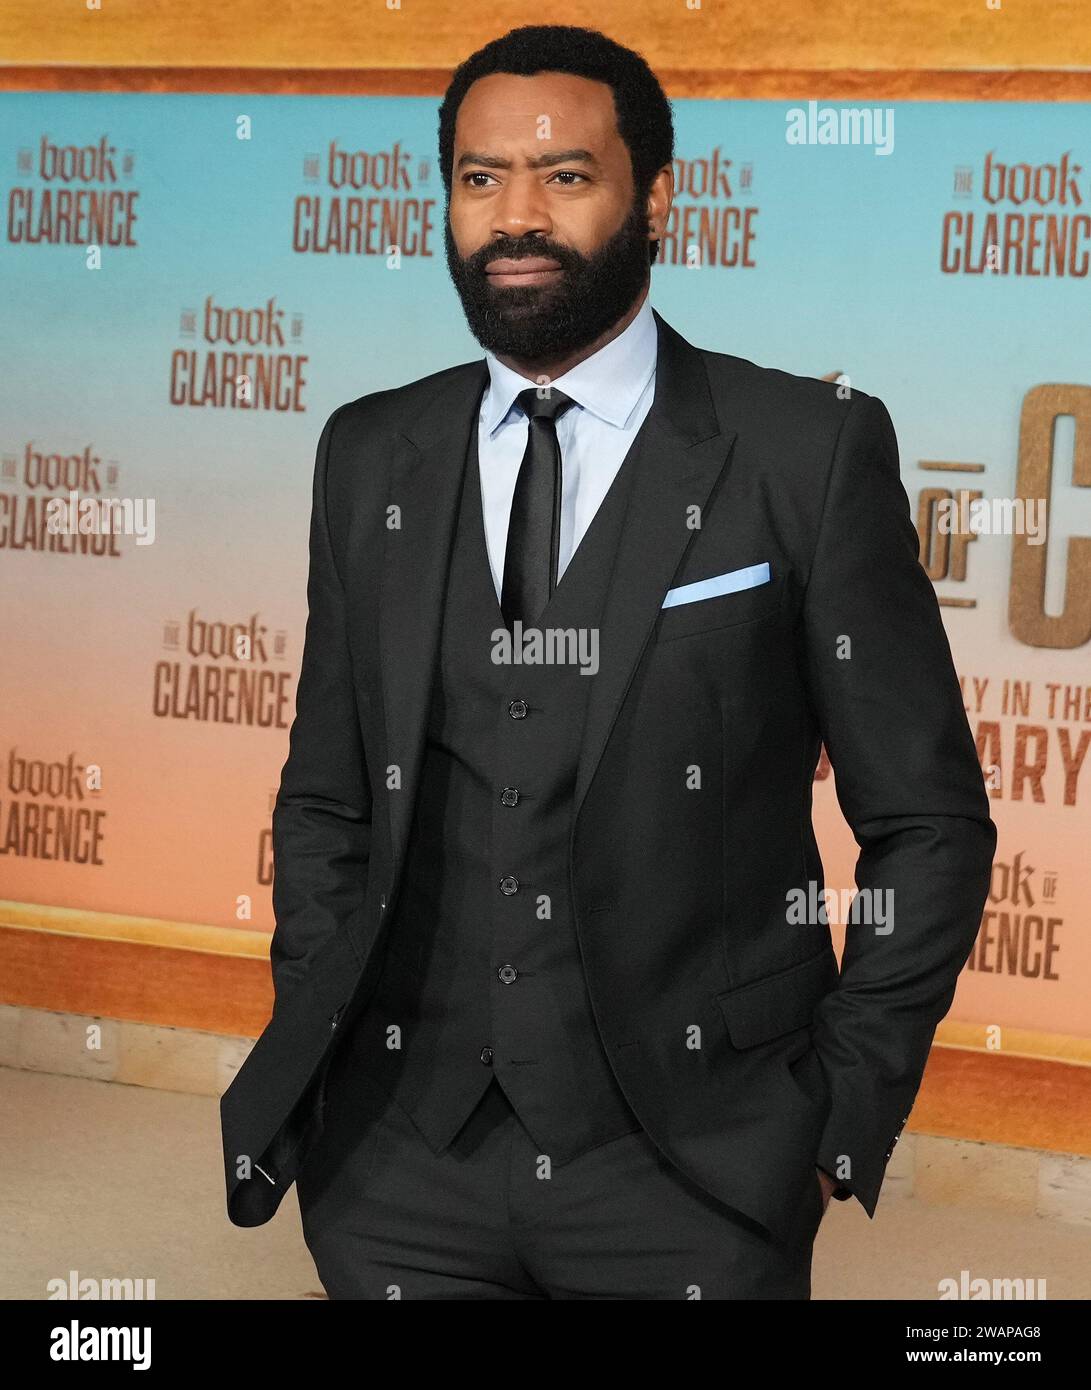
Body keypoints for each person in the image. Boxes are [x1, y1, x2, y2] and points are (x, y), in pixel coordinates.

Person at [220, 23, 996, 1300]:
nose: (514, 217)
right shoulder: (370, 454)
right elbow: (327, 796)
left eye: (563, 176)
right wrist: (323, 1056)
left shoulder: (803, 450)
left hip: (691, 1171)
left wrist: (830, 1118)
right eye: (480, 180)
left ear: (656, 200)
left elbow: (926, 822)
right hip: (397, 1170)